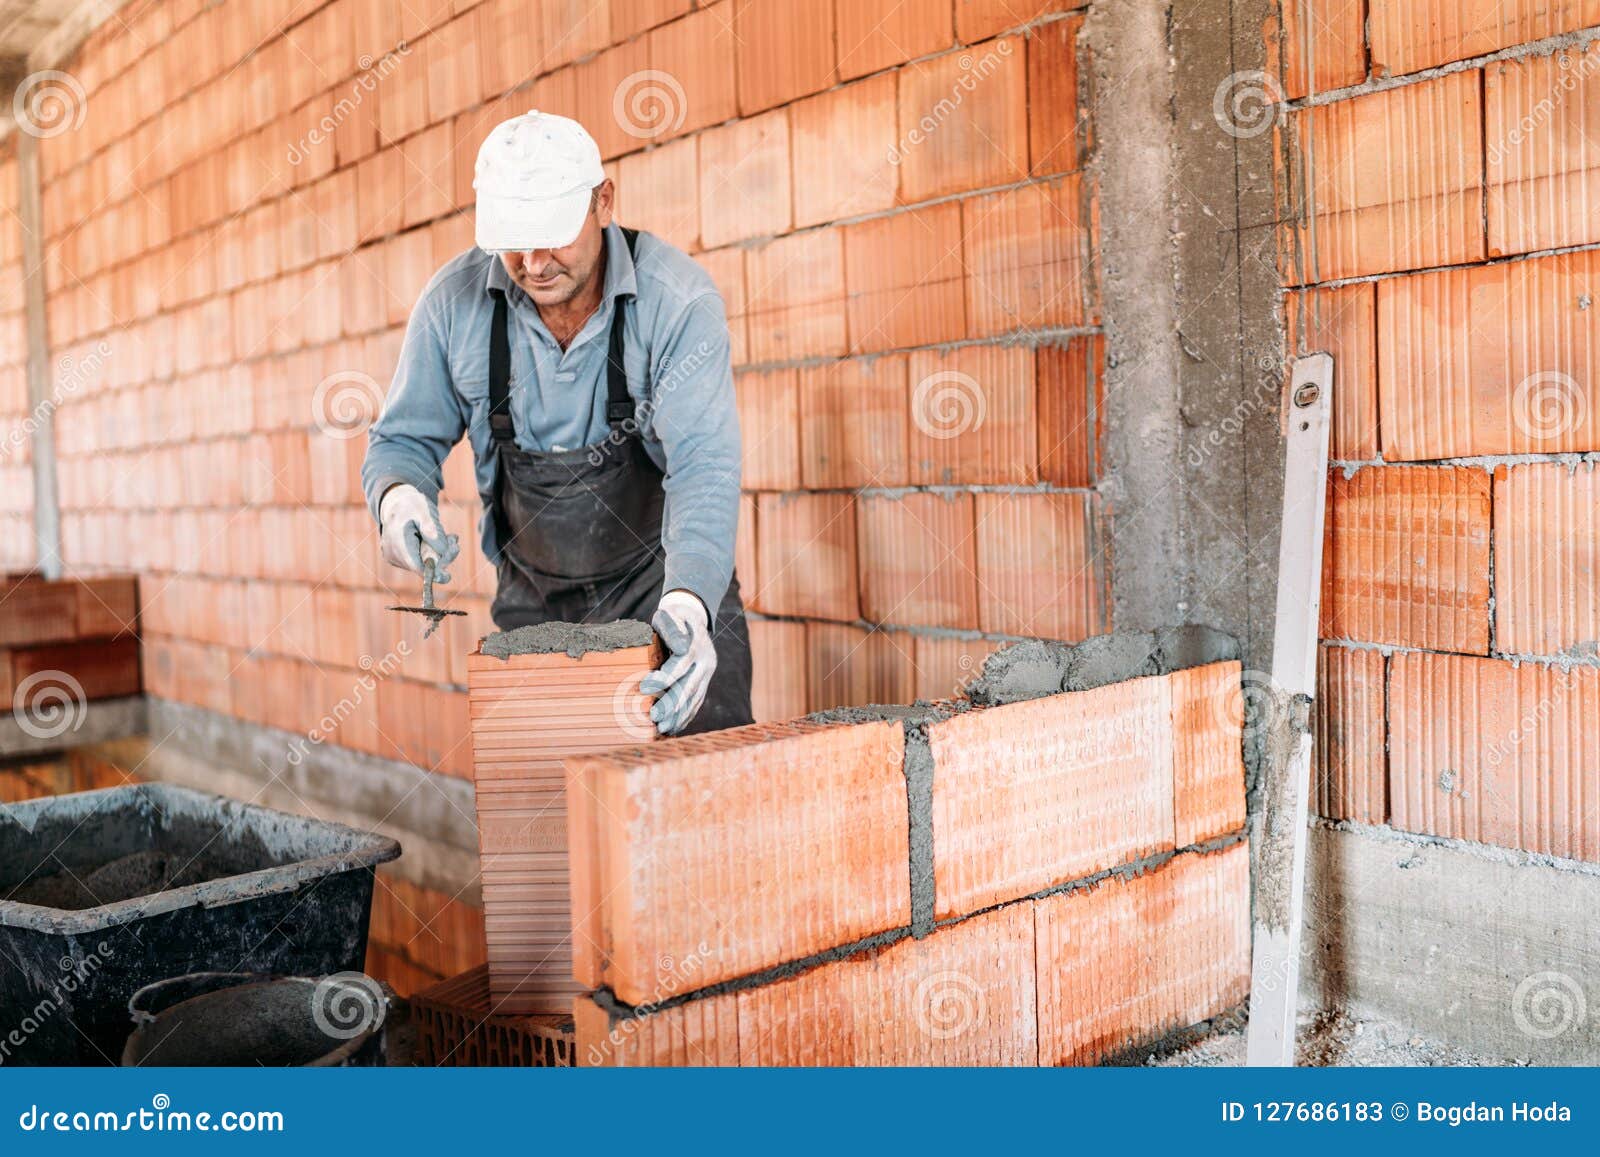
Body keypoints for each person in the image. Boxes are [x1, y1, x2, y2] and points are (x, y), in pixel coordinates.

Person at [361, 110, 751, 735]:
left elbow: (704, 465)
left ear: (604, 202)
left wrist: (690, 603)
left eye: (551, 236)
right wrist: (398, 496)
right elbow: (403, 439)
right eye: (513, 240)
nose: (534, 261)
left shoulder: (677, 302)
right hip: (535, 607)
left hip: (663, 590)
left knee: (698, 799)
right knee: (546, 807)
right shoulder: (452, 306)